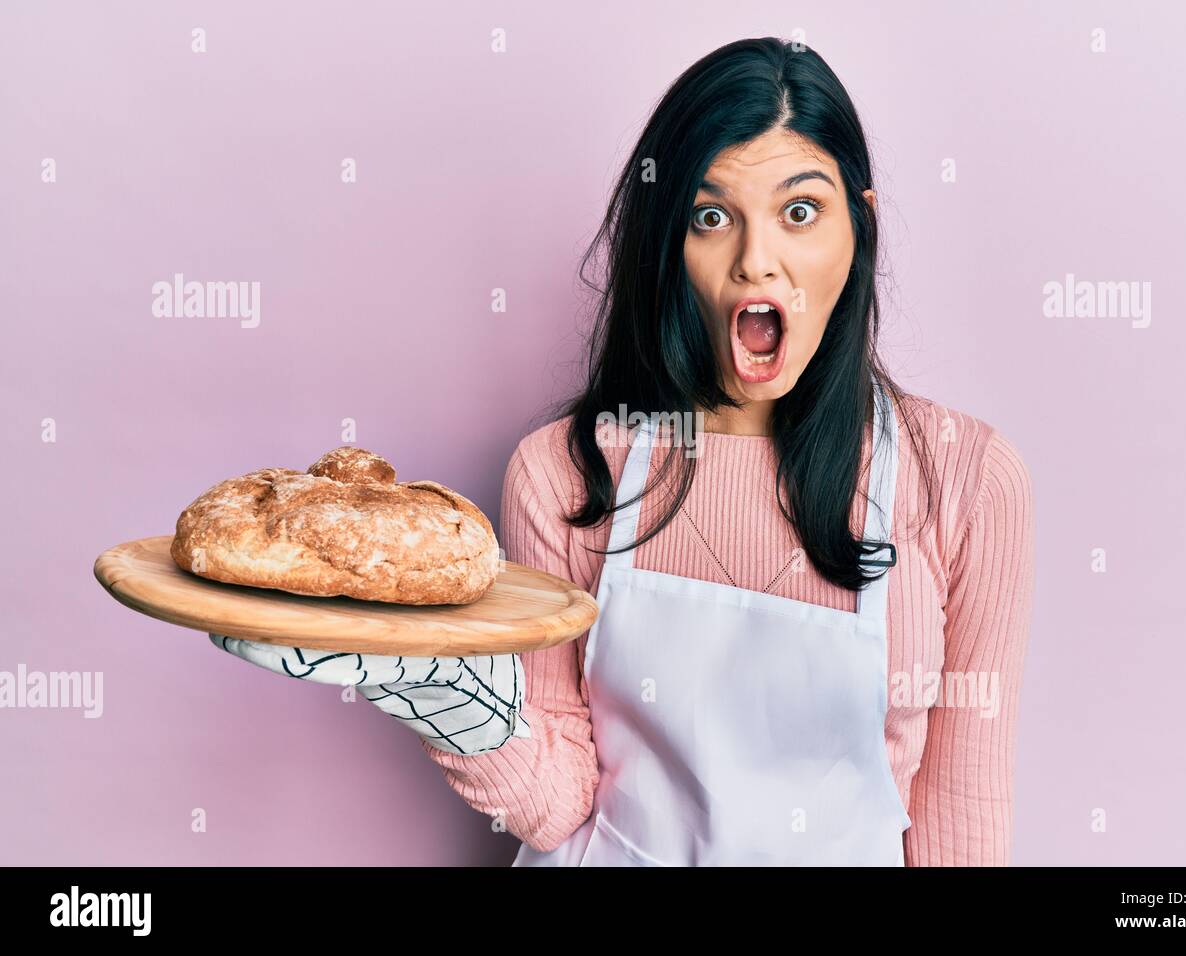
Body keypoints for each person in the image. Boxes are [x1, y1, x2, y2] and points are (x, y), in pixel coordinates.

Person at [216, 36, 1034, 866]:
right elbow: (561, 801)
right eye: (710, 217)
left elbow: (964, 823)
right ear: (666, 242)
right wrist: (429, 685)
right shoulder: (566, 474)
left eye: (800, 212)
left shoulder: (963, 479)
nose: (758, 260)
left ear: (857, 223)